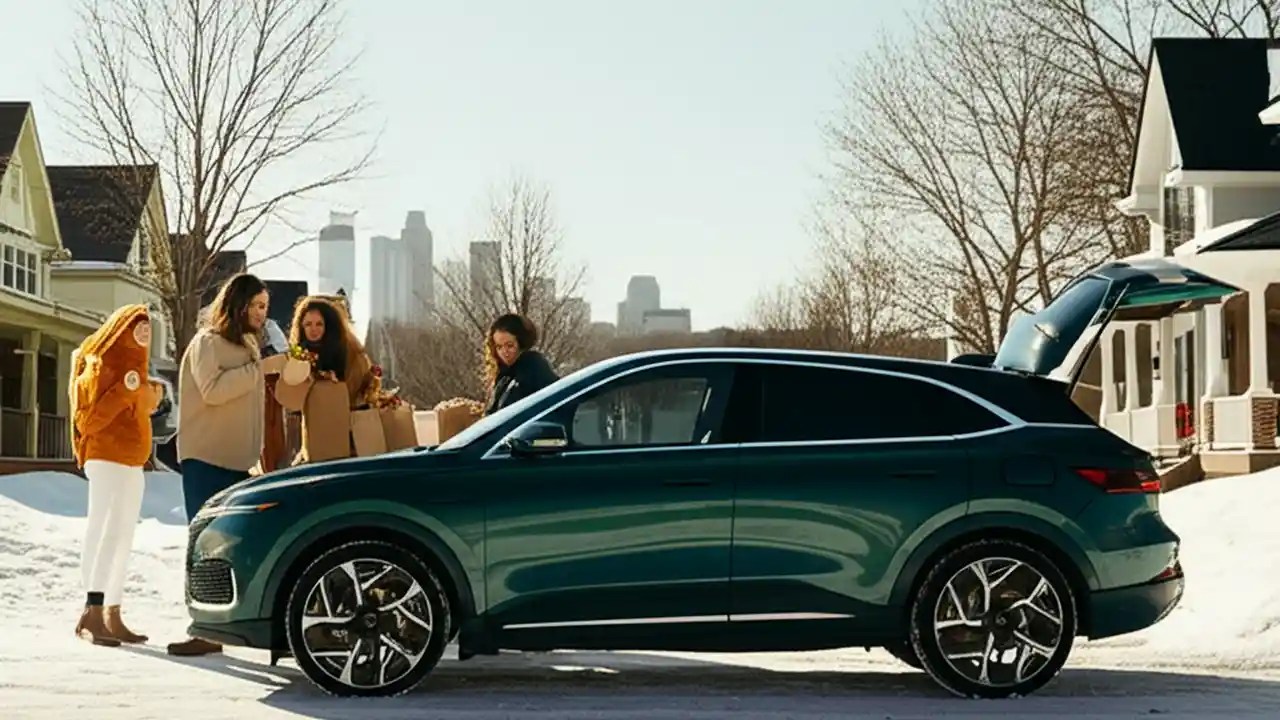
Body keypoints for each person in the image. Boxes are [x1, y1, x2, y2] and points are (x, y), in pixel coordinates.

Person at [166, 273, 269, 657]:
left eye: (265, 306)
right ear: (239, 304)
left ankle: (221, 627)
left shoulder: (247, 347)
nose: (262, 313)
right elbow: (212, 391)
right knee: (205, 544)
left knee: (228, 547)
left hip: (239, 462)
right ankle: (203, 629)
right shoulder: (207, 343)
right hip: (206, 459)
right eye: (258, 305)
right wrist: (257, 369)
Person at [70, 304, 162, 647]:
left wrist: (148, 393)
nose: (143, 334)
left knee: (123, 535)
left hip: (132, 461)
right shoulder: (102, 364)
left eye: (147, 329)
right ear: (121, 329)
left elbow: (140, 406)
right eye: (137, 328)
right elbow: (88, 421)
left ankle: (113, 610)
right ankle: (92, 610)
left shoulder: (136, 369)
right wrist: (126, 390)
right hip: (106, 458)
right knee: (105, 531)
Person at [287, 296, 376, 408]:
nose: (313, 329)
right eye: (308, 324)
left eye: (319, 324)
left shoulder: (349, 353)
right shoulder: (299, 354)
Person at [483, 313, 558, 415]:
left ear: (521, 343)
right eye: (499, 347)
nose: (504, 352)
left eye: (509, 346)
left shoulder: (534, 368)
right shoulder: (504, 376)